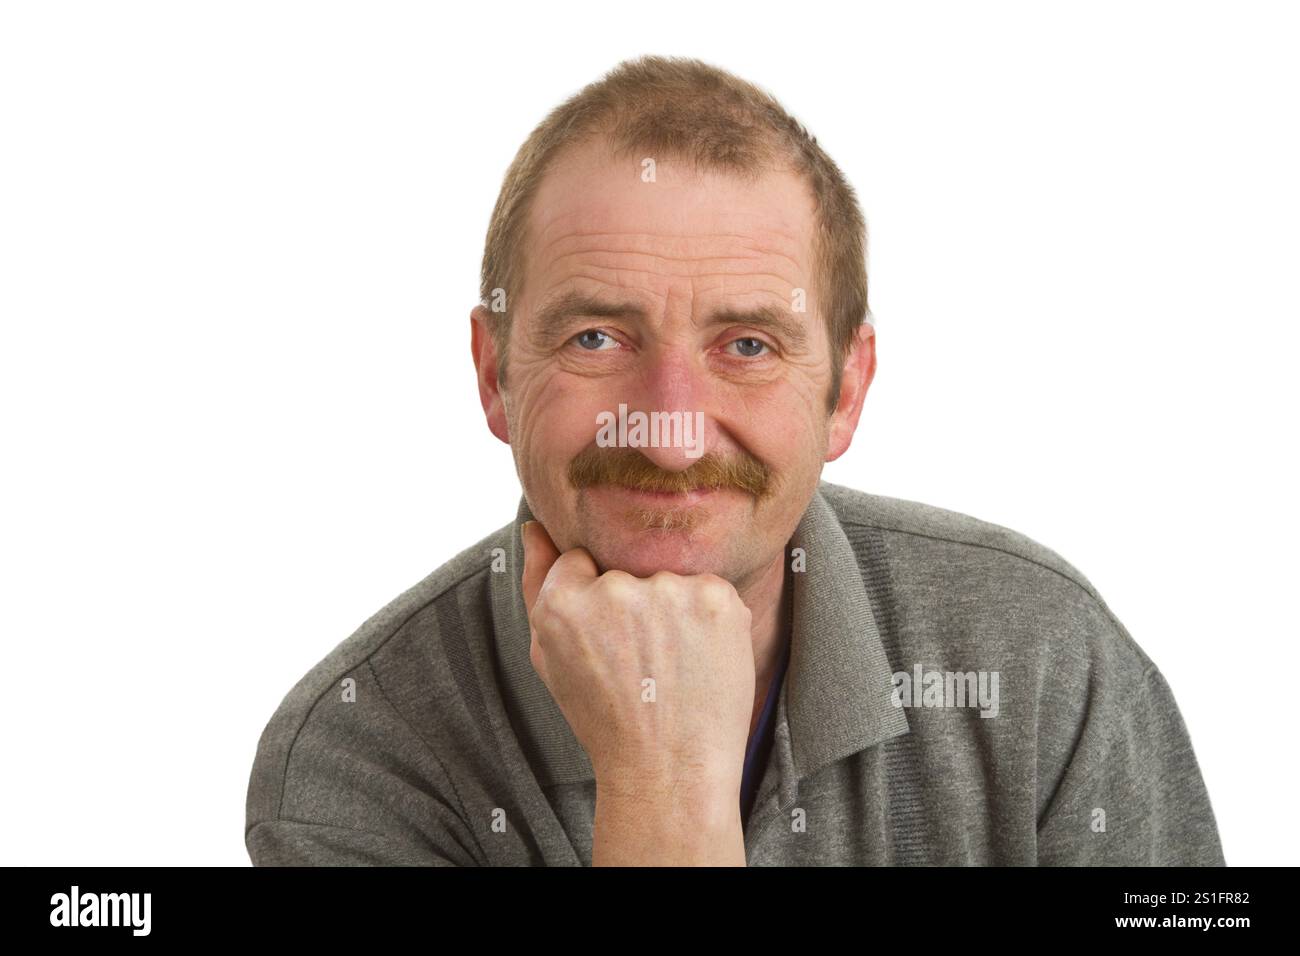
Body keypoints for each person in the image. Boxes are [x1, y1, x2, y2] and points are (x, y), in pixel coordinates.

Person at [244, 54, 1224, 866]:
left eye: (747, 346)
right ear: (495, 374)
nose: (668, 431)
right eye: (595, 338)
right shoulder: (353, 759)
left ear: (844, 391)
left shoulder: (1042, 655)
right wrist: (660, 783)